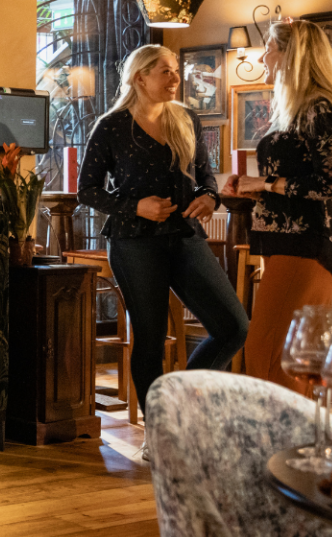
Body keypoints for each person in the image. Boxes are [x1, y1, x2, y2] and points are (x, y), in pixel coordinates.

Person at [77, 44, 247, 441]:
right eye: (166, 72)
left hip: (186, 237)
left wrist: (211, 197)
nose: (175, 79)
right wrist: (135, 206)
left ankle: (179, 402)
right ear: (141, 77)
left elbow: (206, 175)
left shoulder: (186, 118)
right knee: (149, 339)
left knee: (233, 326)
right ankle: (161, 435)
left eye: (175, 71)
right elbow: (87, 190)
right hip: (134, 242)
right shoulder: (112, 126)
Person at [222, 19, 332, 390]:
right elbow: (300, 181)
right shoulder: (299, 108)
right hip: (289, 244)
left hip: (307, 245)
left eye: (269, 48)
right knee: (289, 358)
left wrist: (266, 183)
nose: (263, 56)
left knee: (269, 355)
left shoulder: (320, 109)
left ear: (291, 55)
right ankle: (294, 444)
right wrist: (260, 190)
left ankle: (279, 443)